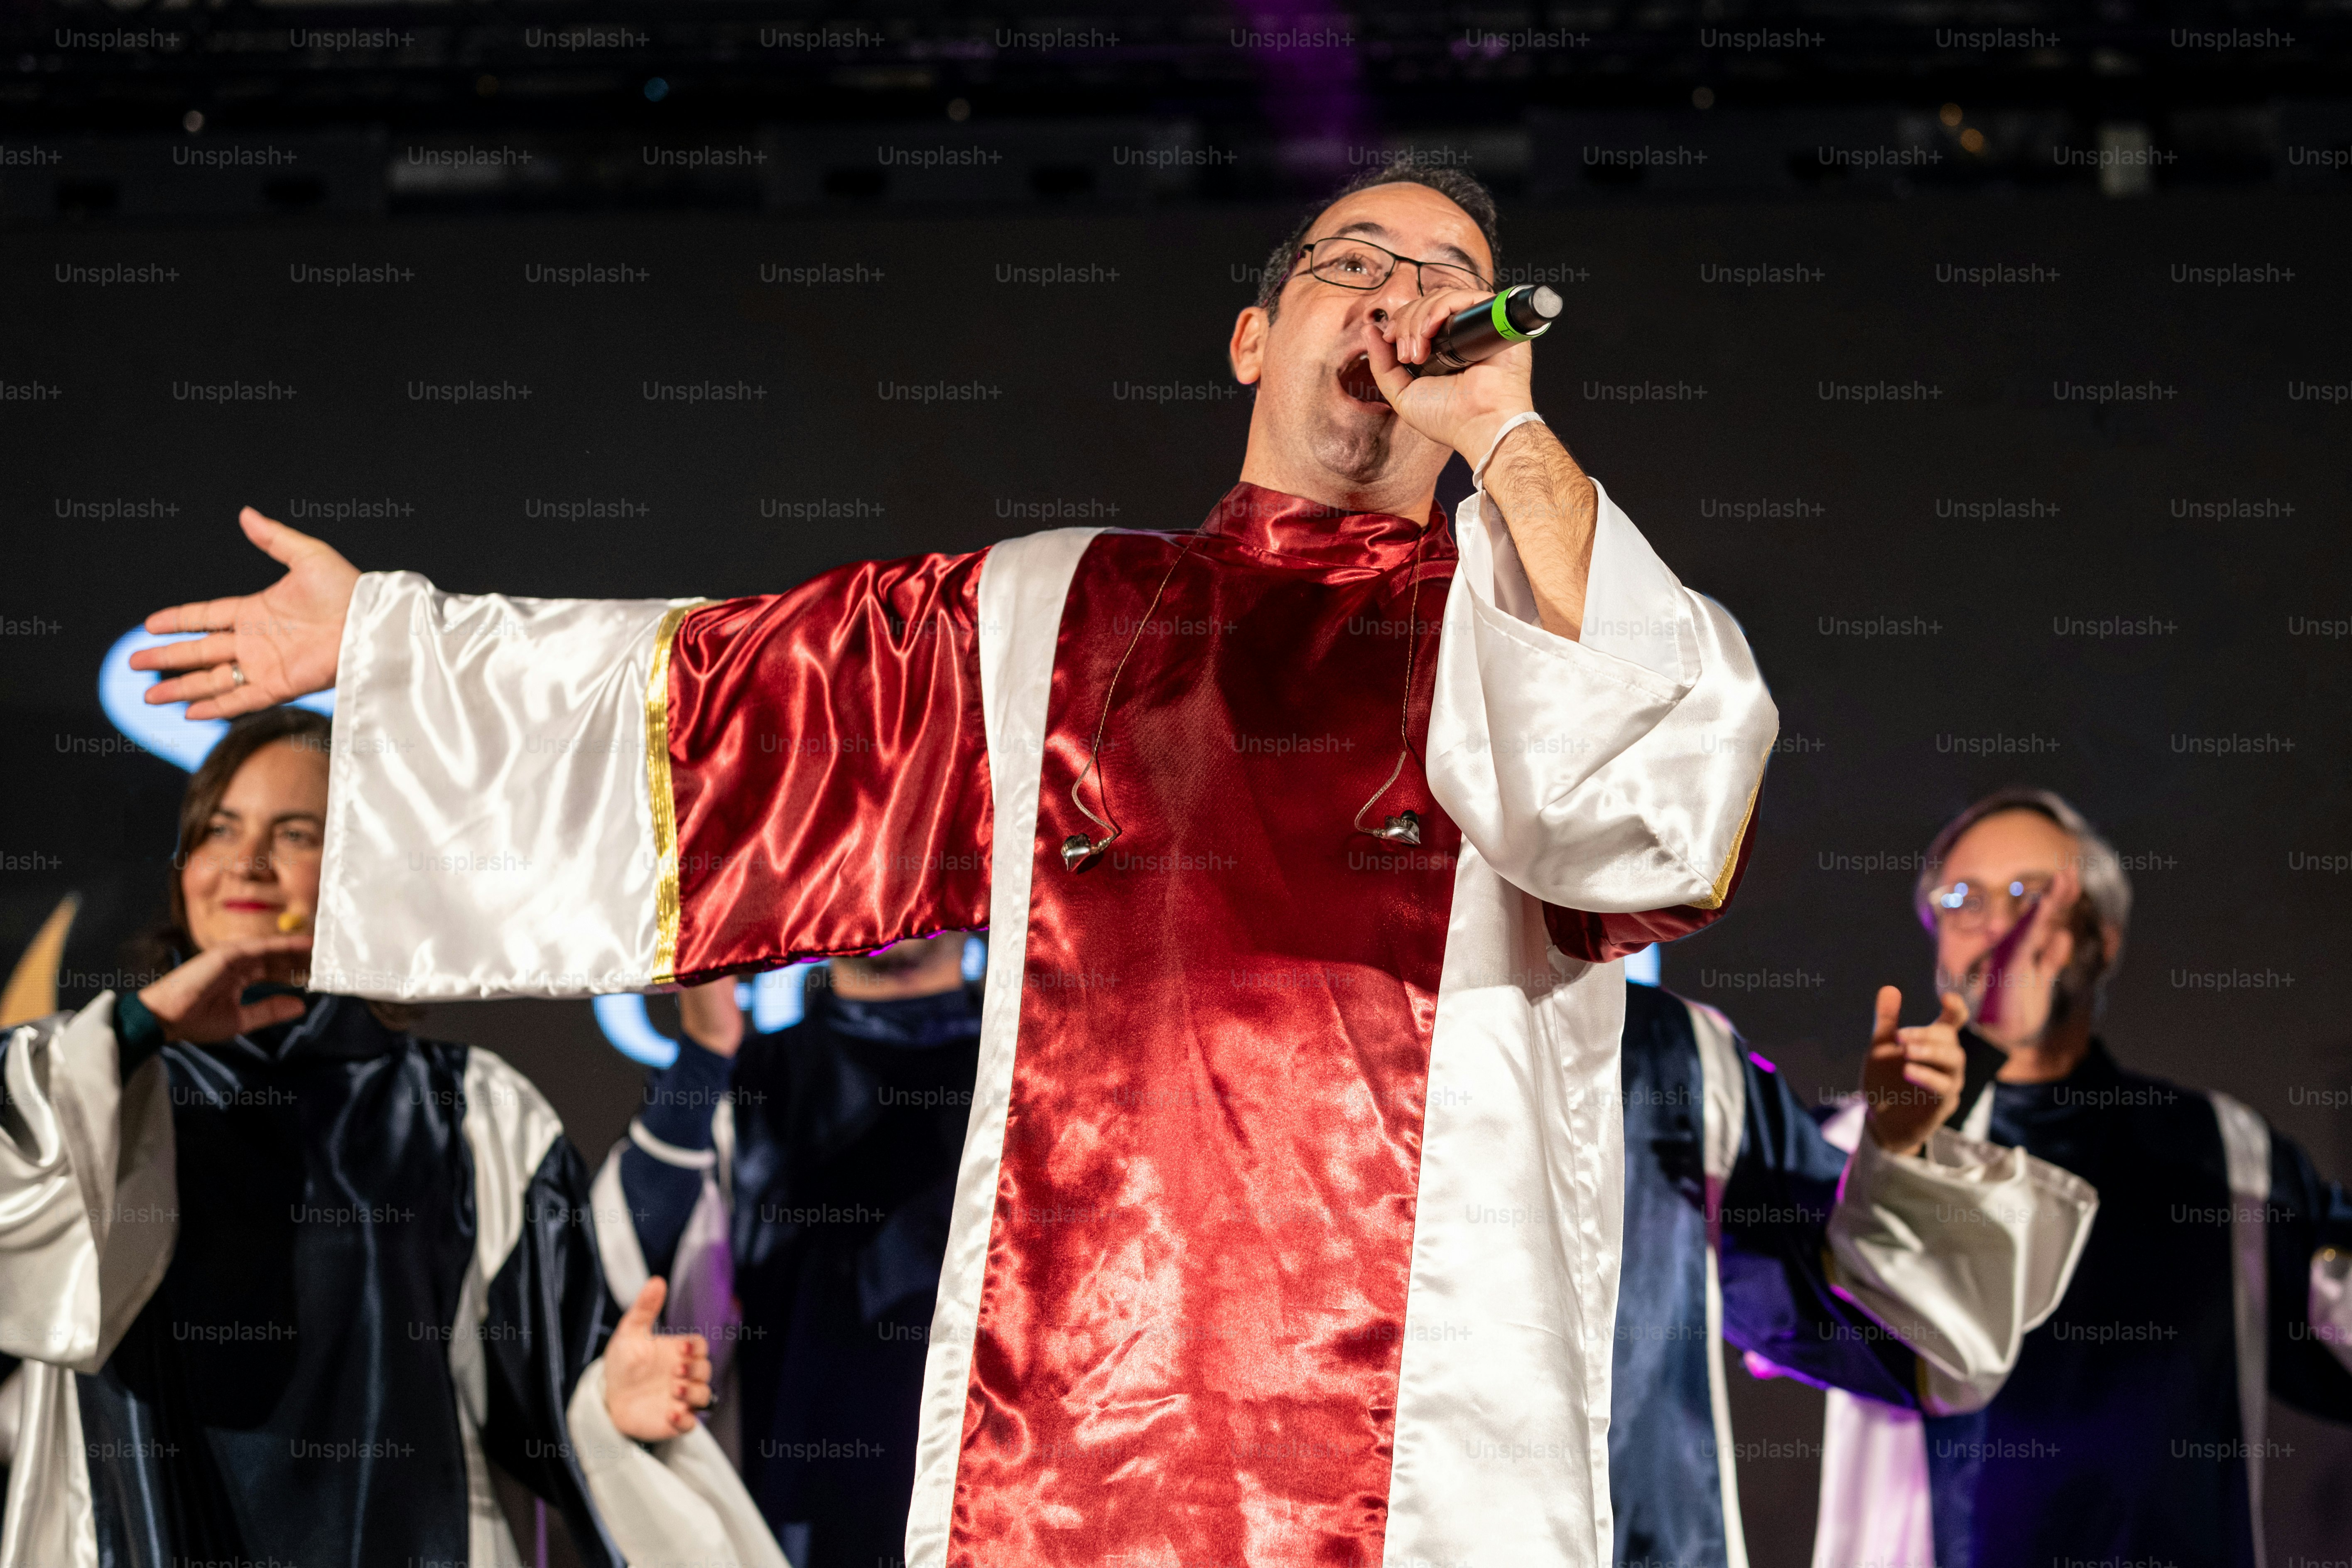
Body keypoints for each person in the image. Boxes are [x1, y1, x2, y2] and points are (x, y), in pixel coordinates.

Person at [134, 164, 1778, 1566]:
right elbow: (724, 698)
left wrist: (1507, 437)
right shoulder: (1054, 616)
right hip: (1082, 1431)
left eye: (1447, 280)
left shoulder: (1525, 615)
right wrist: (386, 640)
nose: (1399, 298)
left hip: (1434, 1430)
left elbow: (1649, 808)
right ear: (1252, 337)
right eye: (1353, 264)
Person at [0, 708, 781, 1568]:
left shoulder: (470, 1111)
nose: (245, 863)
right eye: (220, 829)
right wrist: (145, 1026)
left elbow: (544, 1382)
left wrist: (605, 1400)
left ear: (364, 869)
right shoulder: (97, 1089)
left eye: (293, 833)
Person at [1809, 788, 2352, 1568]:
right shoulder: (1860, 1147)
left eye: (2029, 895)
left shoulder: (2224, 1151)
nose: (1997, 924)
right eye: (1963, 899)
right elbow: (1792, 1319)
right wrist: (1982, 1056)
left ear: (2102, 938)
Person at [1609, 974, 2095, 1568]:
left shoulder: (1674, 1057)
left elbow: (1899, 1335)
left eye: (2033, 897)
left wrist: (1897, 1154)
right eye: (1966, 899)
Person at [593, 939, 983, 1568]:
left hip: (1015, 1521)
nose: (894, 872)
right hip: (798, 1533)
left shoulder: (1046, 1079)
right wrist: (703, 1055)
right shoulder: (748, 1082)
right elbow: (615, 1281)